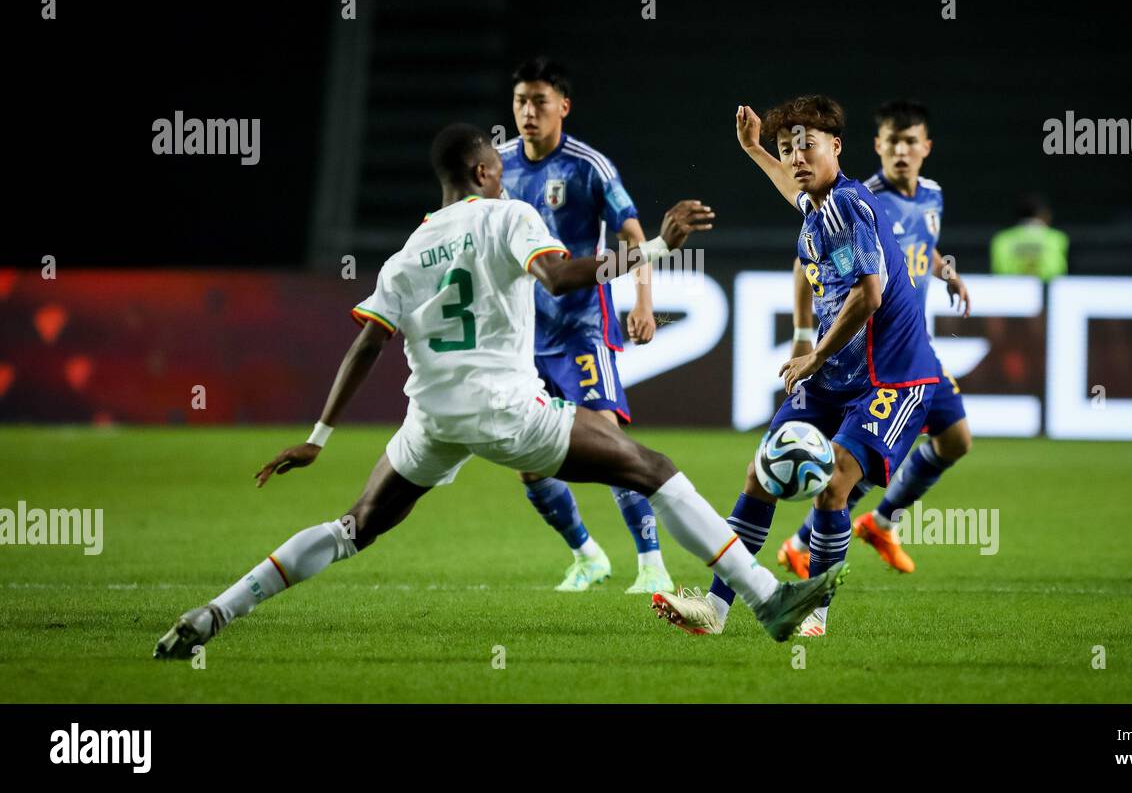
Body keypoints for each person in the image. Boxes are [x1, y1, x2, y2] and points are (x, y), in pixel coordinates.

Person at [154, 123, 845, 658]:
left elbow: (368, 342)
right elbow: (562, 278)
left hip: (431, 420)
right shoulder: (508, 215)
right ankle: (768, 600)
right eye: (498, 161)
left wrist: (317, 437)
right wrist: (658, 246)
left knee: (352, 527)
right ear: (488, 171)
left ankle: (214, 611)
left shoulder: (406, 253)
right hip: (509, 410)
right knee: (654, 471)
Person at [651, 97, 934, 638]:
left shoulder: (849, 206)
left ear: (836, 147)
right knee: (761, 474)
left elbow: (870, 296)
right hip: (833, 378)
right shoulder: (815, 204)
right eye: (788, 149)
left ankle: (816, 614)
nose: (797, 158)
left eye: (807, 145)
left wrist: (814, 354)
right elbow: (791, 187)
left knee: (833, 486)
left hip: (889, 378)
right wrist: (755, 149)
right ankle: (715, 609)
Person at [777, 100, 973, 589]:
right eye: (892, 142)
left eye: (911, 142)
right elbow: (807, 265)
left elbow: (920, 249)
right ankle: (811, 544)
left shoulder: (933, 196)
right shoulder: (862, 197)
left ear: (926, 148)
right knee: (854, 458)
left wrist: (946, 270)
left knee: (955, 440)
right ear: (877, 146)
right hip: (876, 356)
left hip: (911, 345)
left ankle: (879, 523)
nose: (901, 151)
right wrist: (805, 337)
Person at [497, 57, 669, 594]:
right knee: (527, 460)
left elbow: (634, 233)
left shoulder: (587, 166)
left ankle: (651, 566)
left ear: (563, 108)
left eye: (540, 102)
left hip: (581, 329)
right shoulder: (497, 167)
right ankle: (587, 555)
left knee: (608, 444)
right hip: (522, 334)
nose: (529, 112)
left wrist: (643, 301)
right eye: (522, 101)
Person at [990, 193, 1069, 281]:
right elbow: (1057, 271)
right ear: (1044, 214)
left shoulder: (1002, 239)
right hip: (1047, 291)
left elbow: (999, 272)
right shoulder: (1056, 238)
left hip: (1011, 291)